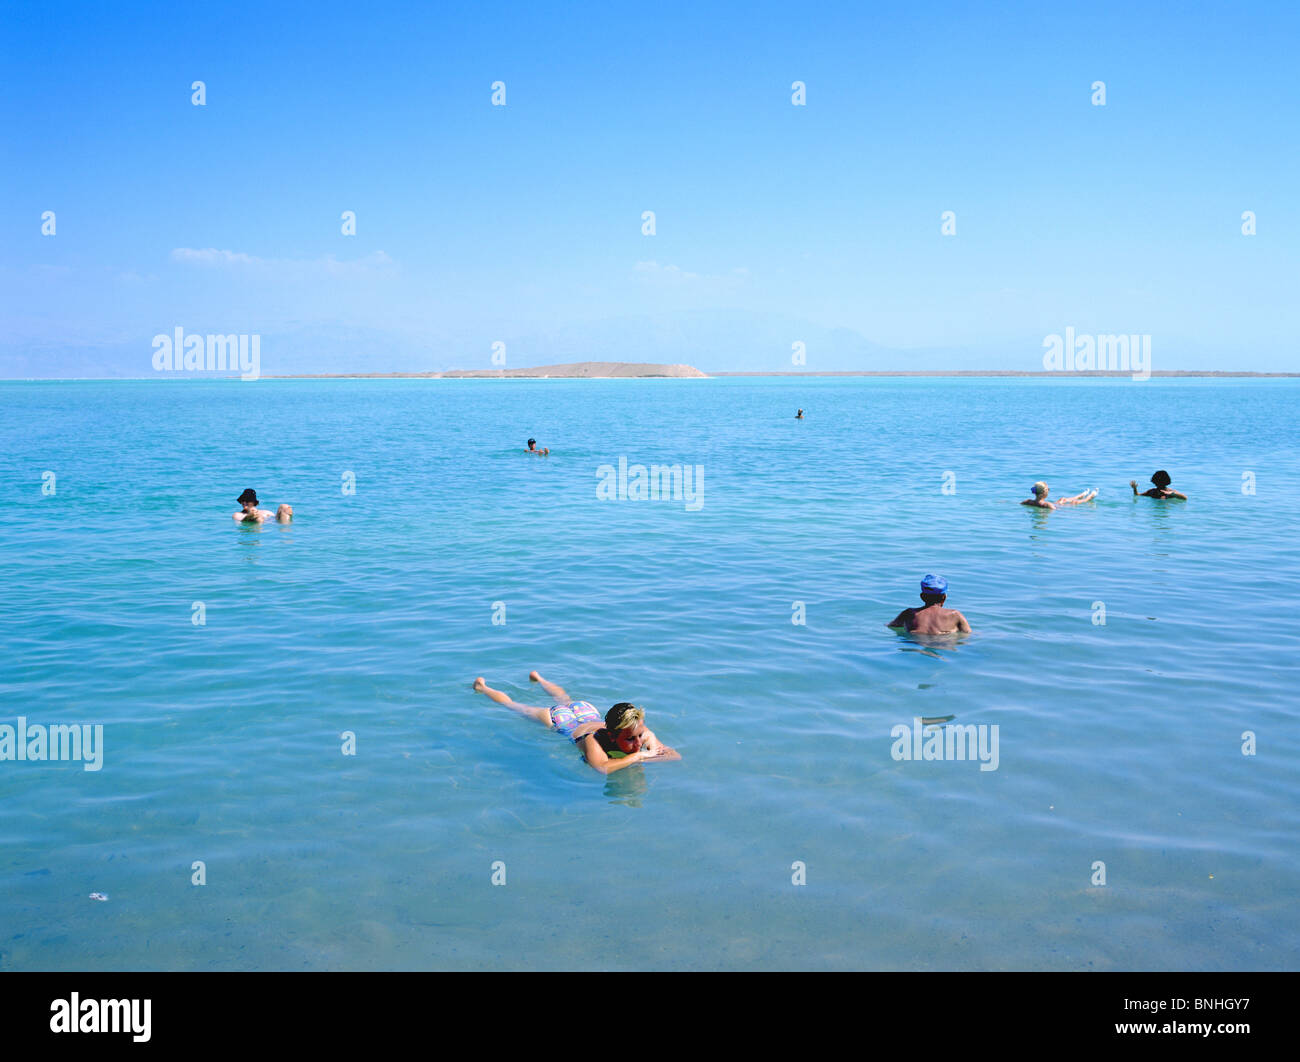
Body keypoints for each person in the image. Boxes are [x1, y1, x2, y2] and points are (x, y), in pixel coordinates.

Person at [472, 671, 680, 774]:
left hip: (588, 713)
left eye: (639, 736)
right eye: (630, 739)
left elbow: (674, 756)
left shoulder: (640, 732)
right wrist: (642, 756)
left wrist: (648, 748)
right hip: (562, 721)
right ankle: (483, 687)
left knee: (565, 699)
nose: (637, 742)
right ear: (611, 735)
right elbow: (601, 767)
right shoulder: (593, 741)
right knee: (517, 707)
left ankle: (540, 679)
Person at [887, 574, 971, 634]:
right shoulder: (955, 615)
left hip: (916, 646)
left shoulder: (909, 613)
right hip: (943, 645)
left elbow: (891, 626)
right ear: (944, 597)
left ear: (922, 597)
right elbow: (968, 634)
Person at [1021, 482, 1097, 510]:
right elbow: (1055, 509)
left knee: (1062, 499)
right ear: (1044, 493)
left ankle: (1082, 494)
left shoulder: (1028, 501)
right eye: (1048, 489)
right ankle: (1089, 496)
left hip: (1055, 504)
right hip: (1058, 506)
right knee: (1074, 502)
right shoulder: (1047, 504)